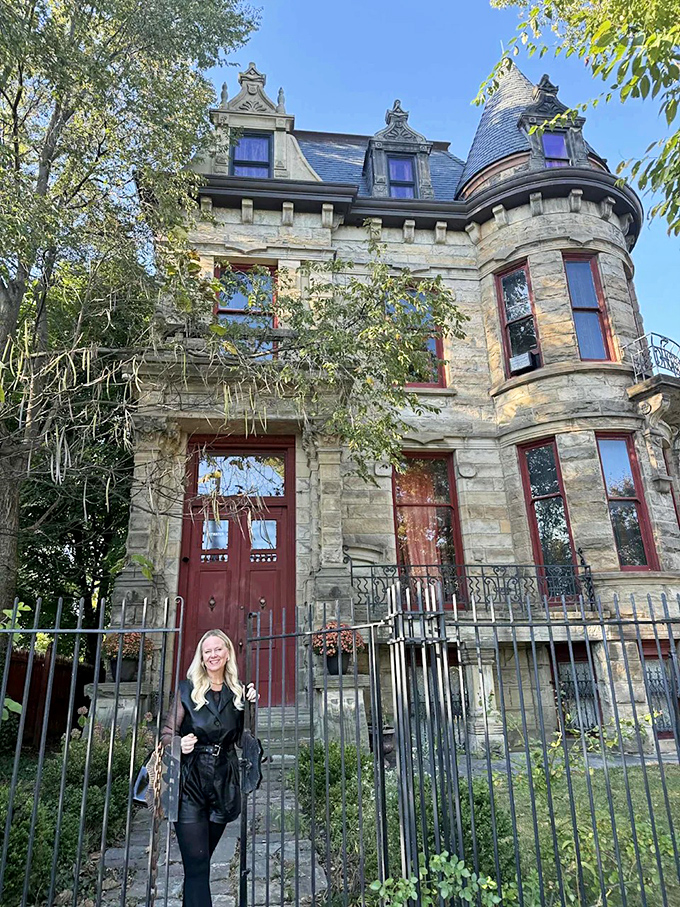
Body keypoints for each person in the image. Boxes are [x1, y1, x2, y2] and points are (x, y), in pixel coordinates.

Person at [161, 629, 258, 907]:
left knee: (201, 864)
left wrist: (251, 705)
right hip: (189, 783)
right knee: (198, 868)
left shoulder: (237, 692)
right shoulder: (187, 690)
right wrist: (180, 744)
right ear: (201, 658)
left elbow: (243, 739)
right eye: (207, 651)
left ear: (228, 653)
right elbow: (167, 732)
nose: (213, 655)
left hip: (223, 784)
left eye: (218, 649)